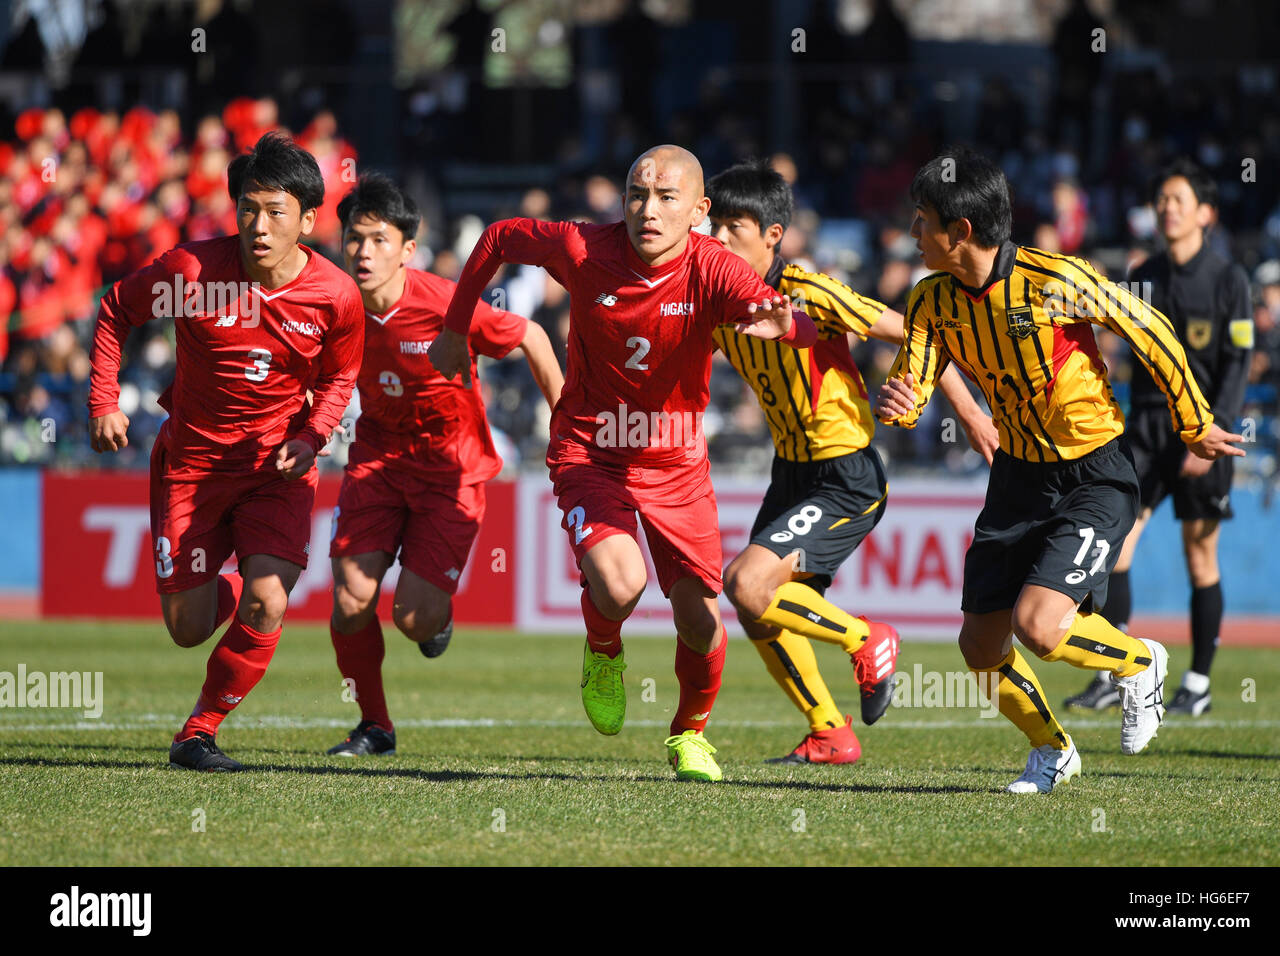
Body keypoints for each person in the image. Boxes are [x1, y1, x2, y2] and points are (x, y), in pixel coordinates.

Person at [429, 144, 824, 782]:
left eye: (667, 198)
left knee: (699, 618)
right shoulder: (584, 248)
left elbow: (795, 327)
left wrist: (787, 327)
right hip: (592, 451)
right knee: (619, 585)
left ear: (699, 211)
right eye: (637, 194)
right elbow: (499, 237)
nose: (648, 209)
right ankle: (603, 649)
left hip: (676, 464)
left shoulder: (714, 267)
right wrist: (454, 329)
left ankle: (688, 734)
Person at [876, 147, 1244, 793]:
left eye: (921, 220)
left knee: (1039, 626)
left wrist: (1193, 420)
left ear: (960, 231)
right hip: (1018, 477)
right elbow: (913, 379)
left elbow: (1149, 326)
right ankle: (1053, 750)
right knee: (979, 648)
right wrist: (900, 404)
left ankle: (1141, 662)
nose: (911, 233)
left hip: (1093, 472)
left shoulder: (1053, 280)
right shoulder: (931, 299)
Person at [88, 132, 364, 771]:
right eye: (248, 208)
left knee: (272, 598)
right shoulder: (191, 272)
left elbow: (339, 377)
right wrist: (104, 401)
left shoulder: (335, 295)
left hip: (277, 470)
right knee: (187, 627)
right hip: (190, 466)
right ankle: (244, 594)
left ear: (309, 220)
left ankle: (199, 732)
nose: (259, 225)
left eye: (275, 212)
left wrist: (312, 435)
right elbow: (114, 310)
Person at [707, 159, 999, 764]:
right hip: (789, 472)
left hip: (845, 476)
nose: (717, 239)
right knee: (758, 610)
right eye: (714, 224)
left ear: (772, 236)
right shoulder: (716, 303)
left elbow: (920, 336)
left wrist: (970, 414)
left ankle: (869, 638)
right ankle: (828, 732)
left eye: (733, 226)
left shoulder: (810, 292)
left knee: (743, 582)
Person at [325, 174, 564, 756]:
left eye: (380, 240)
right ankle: (374, 727)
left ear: (409, 248)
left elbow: (531, 334)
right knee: (351, 598)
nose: (364, 252)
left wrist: (568, 425)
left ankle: (434, 618)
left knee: (412, 619)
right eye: (355, 238)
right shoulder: (335, 305)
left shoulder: (442, 305)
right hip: (378, 460)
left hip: (451, 470)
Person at [1065, 159, 1252, 718]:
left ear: (1206, 213)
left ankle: (1197, 683)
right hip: (1146, 426)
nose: (1167, 208)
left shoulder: (1229, 280)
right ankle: (1112, 668)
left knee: (1200, 554)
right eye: (1161, 200)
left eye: (1178, 199)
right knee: (1116, 546)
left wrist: (1211, 432)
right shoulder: (1143, 275)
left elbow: (1239, 364)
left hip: (1207, 429)